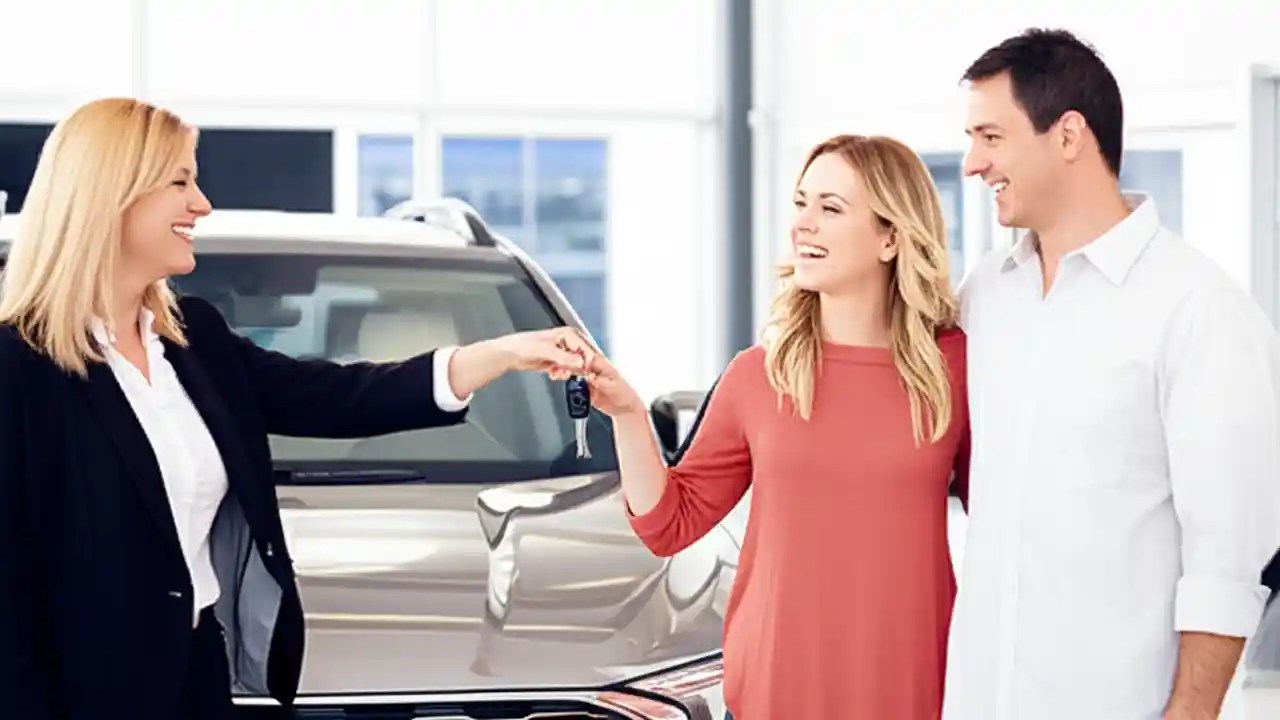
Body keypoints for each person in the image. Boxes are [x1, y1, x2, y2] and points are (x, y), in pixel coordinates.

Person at [0, 97, 590, 719]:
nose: (201, 204)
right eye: (181, 181)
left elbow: (335, 398)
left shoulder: (192, 340)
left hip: (197, 680)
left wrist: (495, 355)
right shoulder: (17, 368)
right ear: (110, 194)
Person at [566, 134, 970, 719]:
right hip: (776, 695)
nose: (803, 224)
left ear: (891, 237)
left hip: (911, 692)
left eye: (830, 208)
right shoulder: (760, 374)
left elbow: (1010, 515)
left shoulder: (952, 369)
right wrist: (628, 414)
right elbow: (668, 524)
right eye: (801, 203)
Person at [944, 28, 1280, 720]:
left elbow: (1228, 555)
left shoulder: (1199, 309)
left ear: (1068, 135)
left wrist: (1190, 712)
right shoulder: (984, 295)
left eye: (991, 136)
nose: (973, 163)